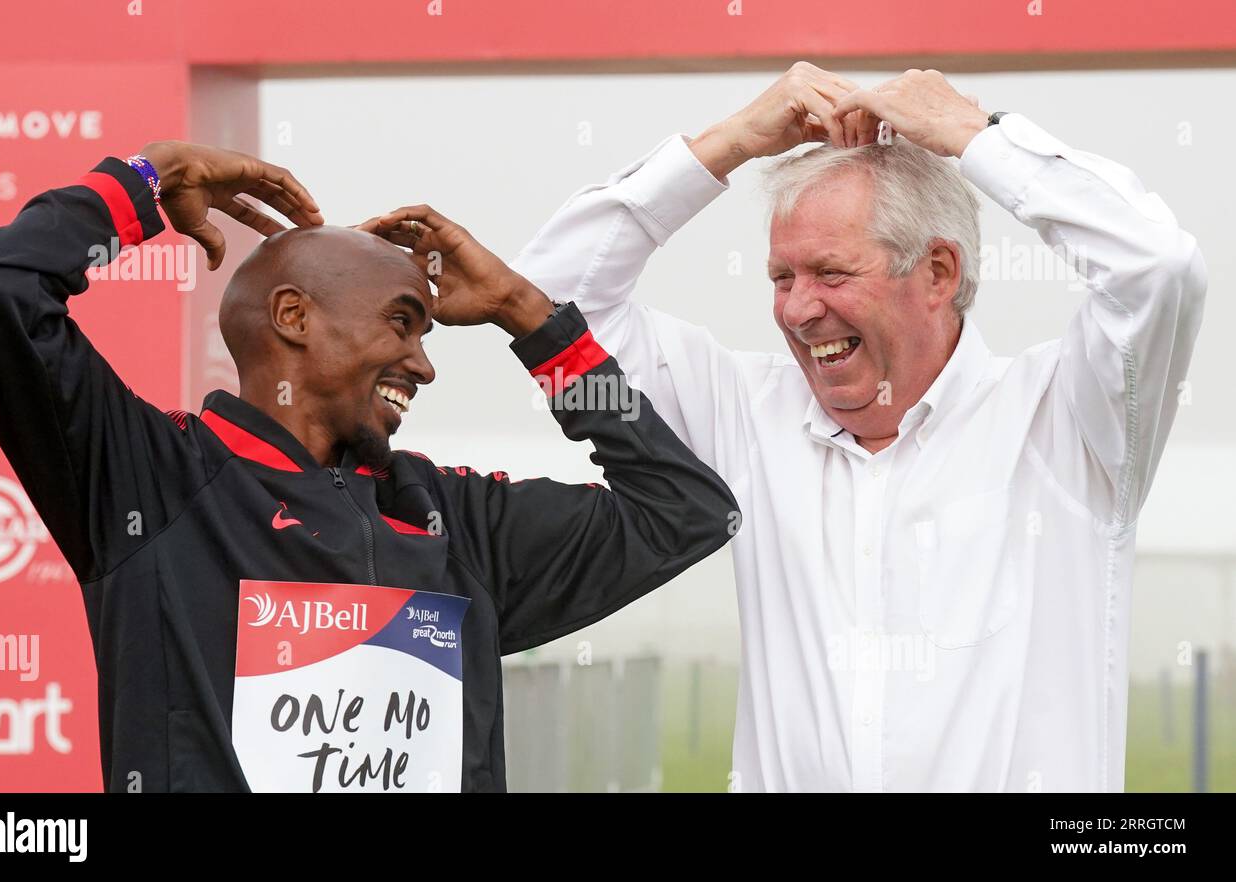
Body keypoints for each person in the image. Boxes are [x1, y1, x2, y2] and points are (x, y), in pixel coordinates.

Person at [0, 140, 737, 792]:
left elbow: (684, 510)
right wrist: (149, 182)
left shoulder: (447, 515)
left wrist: (524, 313)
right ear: (293, 317)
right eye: (402, 324)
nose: (422, 366)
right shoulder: (147, 479)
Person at [505, 63, 1207, 791]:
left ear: (938, 272)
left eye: (831, 274)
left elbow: (1158, 266)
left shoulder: (1068, 419)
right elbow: (538, 302)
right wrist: (732, 140)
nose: (798, 311)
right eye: (782, 278)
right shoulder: (743, 411)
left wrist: (974, 137)